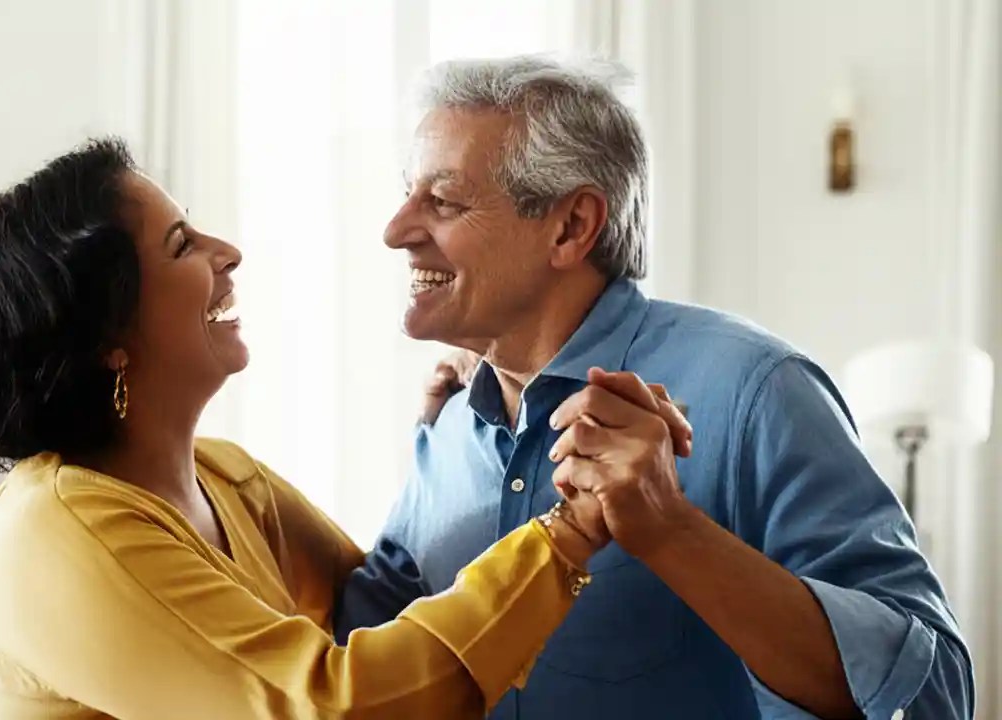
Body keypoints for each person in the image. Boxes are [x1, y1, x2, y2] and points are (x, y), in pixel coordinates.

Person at [0, 138, 690, 719]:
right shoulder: (60, 529)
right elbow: (343, 706)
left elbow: (372, 609)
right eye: (183, 244)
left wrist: (440, 444)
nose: (228, 253)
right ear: (108, 331)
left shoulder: (225, 478)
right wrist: (570, 530)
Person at [335, 56, 974, 719]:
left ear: (571, 227)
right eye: (409, 194)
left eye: (441, 201)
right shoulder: (448, 426)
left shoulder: (756, 390)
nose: (395, 231)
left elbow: (934, 694)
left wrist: (672, 533)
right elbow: (353, 659)